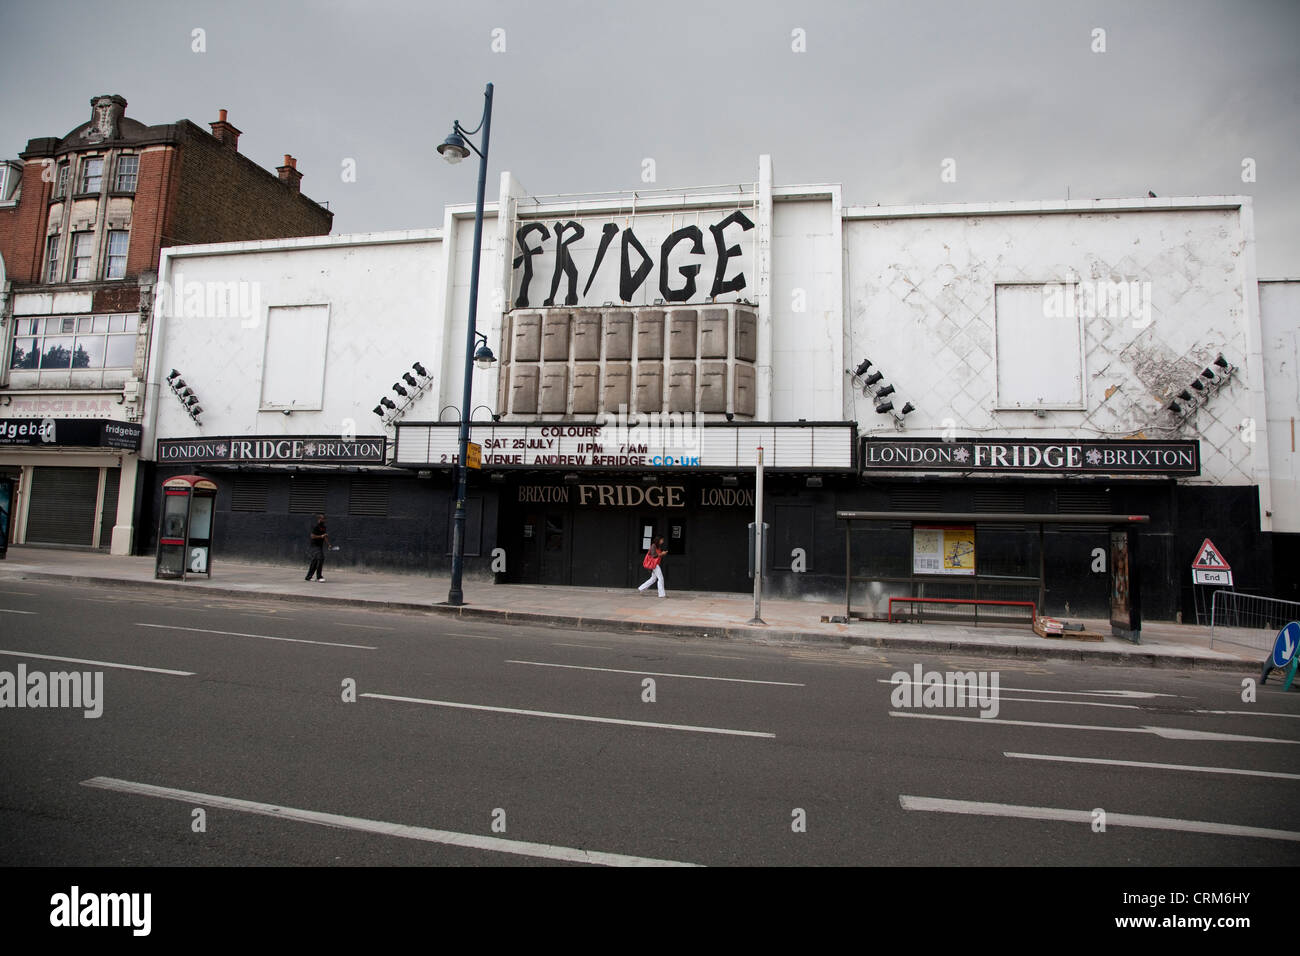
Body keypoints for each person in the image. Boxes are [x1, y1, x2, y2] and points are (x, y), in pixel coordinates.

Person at [306, 513, 329, 581]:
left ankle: (308, 577)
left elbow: (324, 536)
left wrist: (328, 544)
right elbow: (312, 536)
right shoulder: (316, 527)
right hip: (314, 546)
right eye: (323, 519)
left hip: (320, 546)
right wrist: (320, 536)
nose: (324, 520)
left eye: (325, 519)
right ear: (319, 519)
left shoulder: (324, 527)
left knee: (315, 561)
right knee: (321, 558)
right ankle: (319, 577)